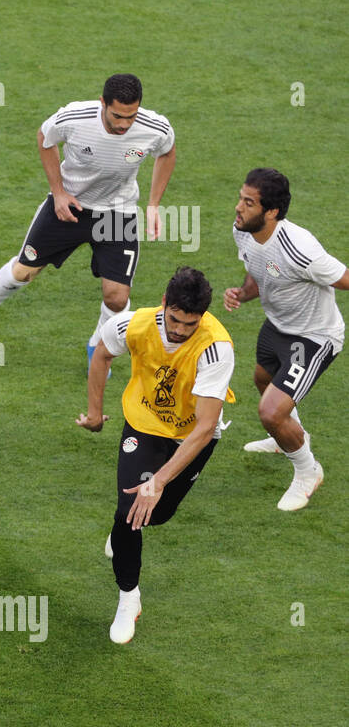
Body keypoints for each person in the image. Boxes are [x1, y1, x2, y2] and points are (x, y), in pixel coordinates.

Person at [0, 73, 177, 370]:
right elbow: (45, 137)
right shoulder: (75, 117)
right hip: (69, 207)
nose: (123, 124)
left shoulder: (154, 127)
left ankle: (97, 345)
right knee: (23, 272)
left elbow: (167, 152)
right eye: (117, 116)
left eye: (130, 117)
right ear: (102, 103)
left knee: (118, 297)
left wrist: (154, 204)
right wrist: (58, 192)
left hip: (118, 213)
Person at [78, 267, 235, 644]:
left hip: (191, 437)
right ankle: (128, 596)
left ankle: (125, 532)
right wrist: (96, 414)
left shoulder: (216, 348)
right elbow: (101, 354)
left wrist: (159, 482)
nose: (180, 330)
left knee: (158, 512)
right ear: (164, 303)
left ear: (204, 317)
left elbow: (204, 427)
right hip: (144, 426)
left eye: (190, 323)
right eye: (175, 320)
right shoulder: (133, 324)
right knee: (130, 510)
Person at [224, 168, 349, 511]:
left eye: (249, 203)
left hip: (313, 336)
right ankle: (289, 440)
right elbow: (257, 271)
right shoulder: (243, 232)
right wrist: (242, 293)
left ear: (272, 212)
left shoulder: (301, 249)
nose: (238, 207)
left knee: (271, 412)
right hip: (277, 326)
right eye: (241, 197)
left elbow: (344, 278)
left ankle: (308, 472)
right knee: (262, 379)